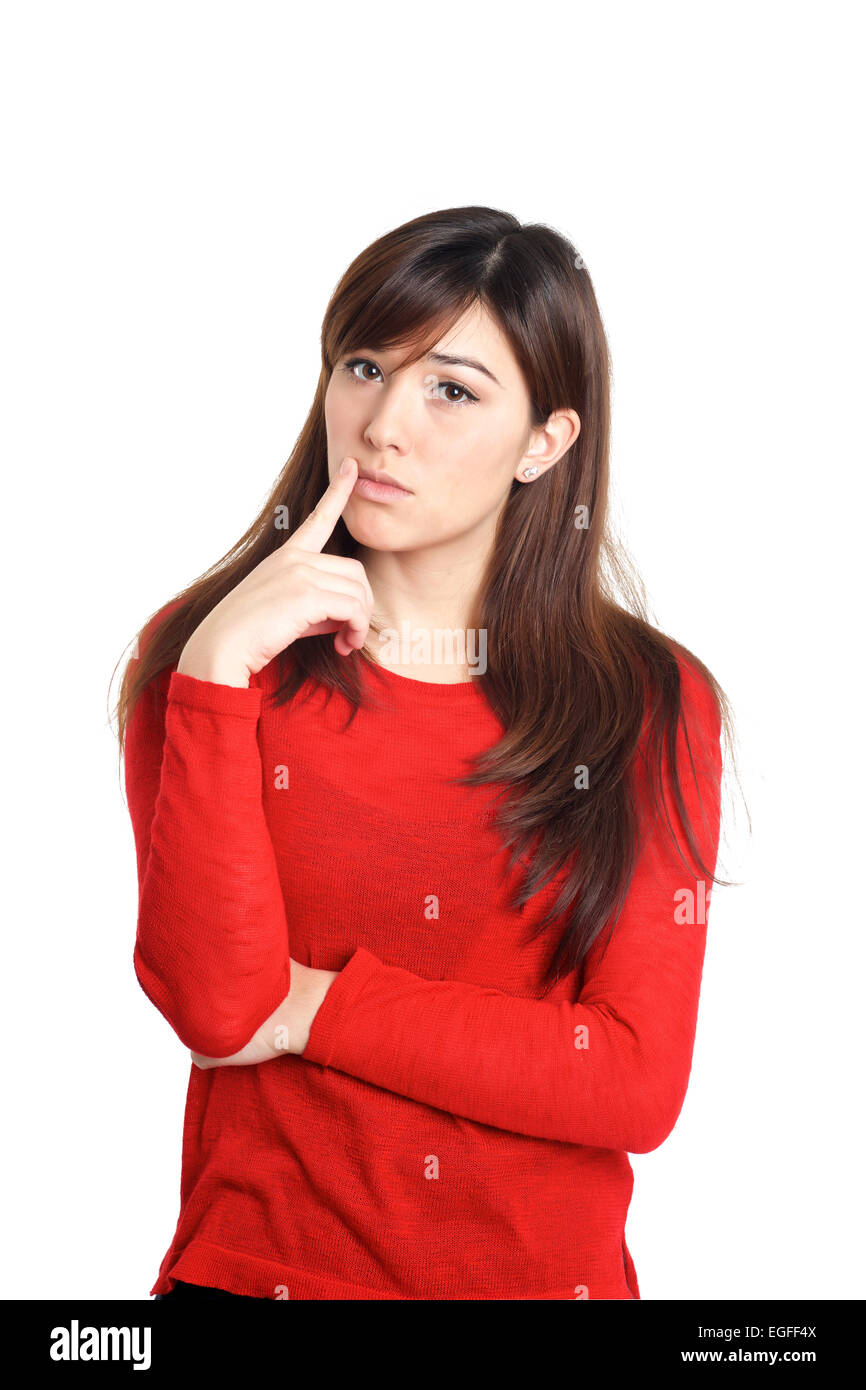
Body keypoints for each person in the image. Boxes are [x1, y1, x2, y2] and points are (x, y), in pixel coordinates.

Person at [114, 205, 733, 1301]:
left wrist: (314, 1007)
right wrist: (213, 676)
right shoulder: (207, 660)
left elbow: (632, 1080)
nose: (382, 424)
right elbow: (215, 1004)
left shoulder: (646, 701)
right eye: (362, 366)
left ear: (545, 440)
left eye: (451, 388)